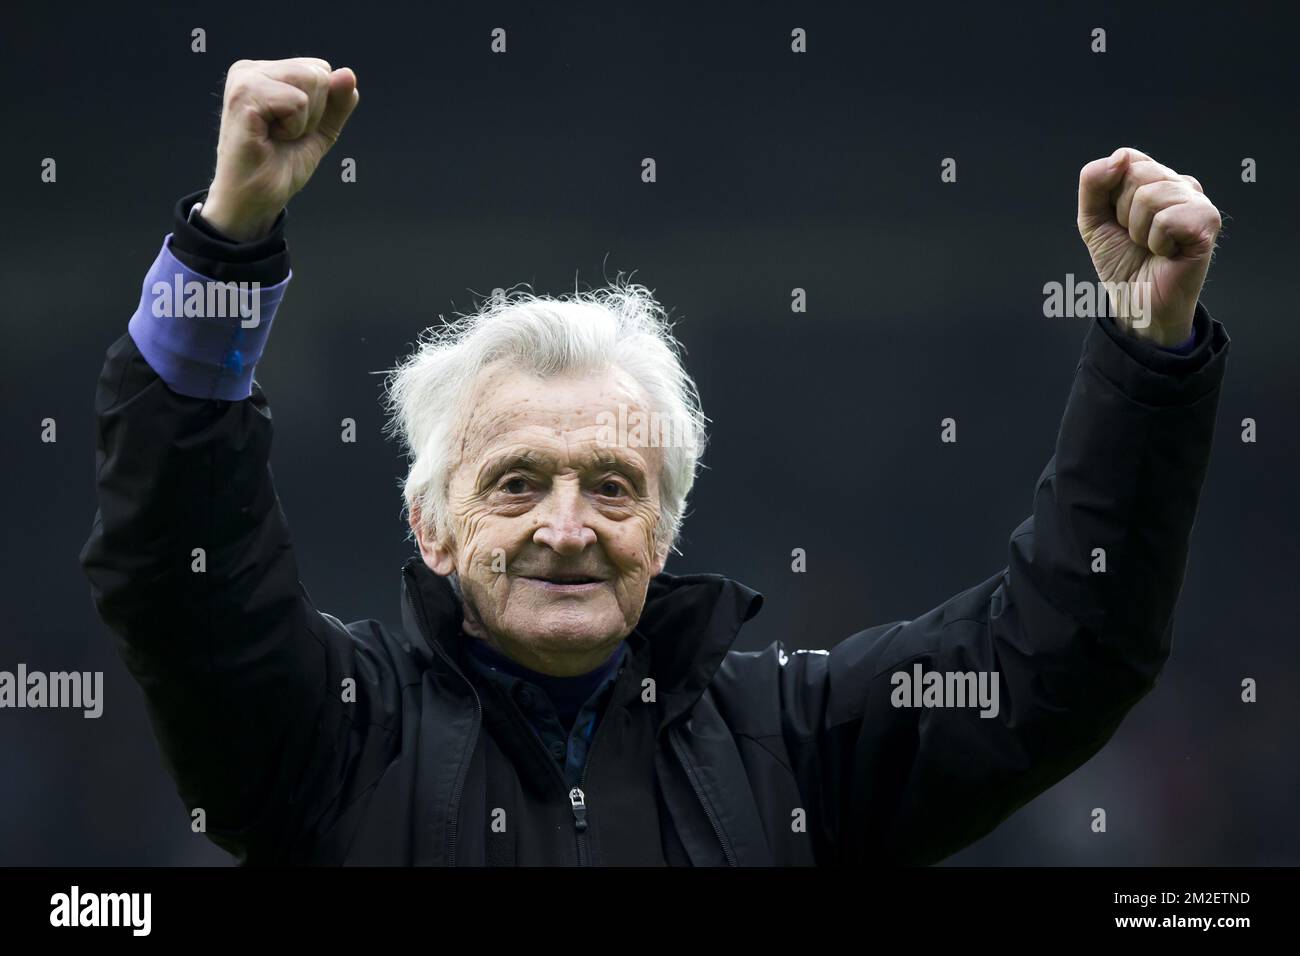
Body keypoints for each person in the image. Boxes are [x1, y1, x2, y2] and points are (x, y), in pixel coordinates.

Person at [80, 57, 1230, 865]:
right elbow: (180, 579)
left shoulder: (794, 740)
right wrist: (225, 245)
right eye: (516, 481)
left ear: (665, 531)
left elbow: (1062, 652)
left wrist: (1147, 351)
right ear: (430, 527)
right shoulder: (331, 731)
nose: (567, 526)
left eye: (613, 484)